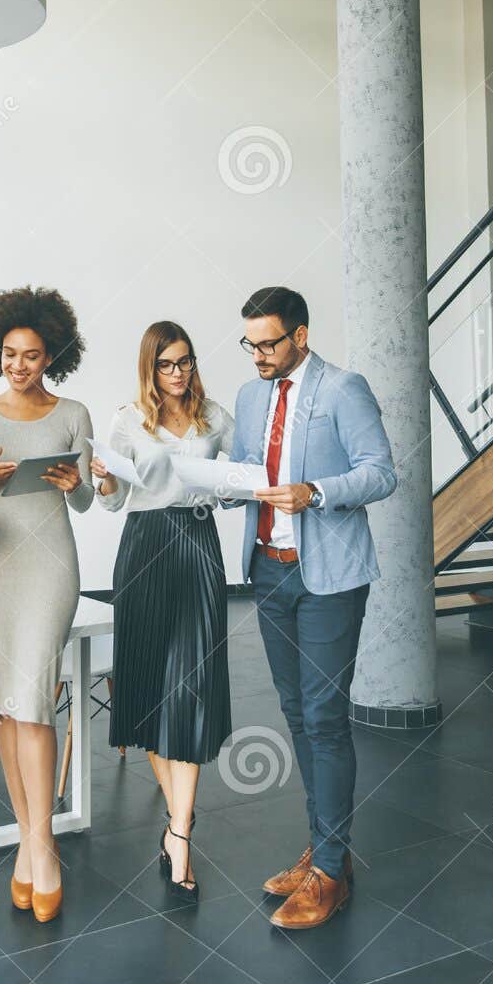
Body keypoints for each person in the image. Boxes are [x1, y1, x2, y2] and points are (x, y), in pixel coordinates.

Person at [230, 285, 396, 932]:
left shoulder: (342, 389)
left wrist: (317, 491)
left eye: (268, 342)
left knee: (325, 717)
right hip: (267, 573)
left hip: (326, 578)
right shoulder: (249, 397)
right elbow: (248, 473)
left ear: (300, 335)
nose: (258, 354)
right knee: (298, 714)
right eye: (250, 343)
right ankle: (322, 848)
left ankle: (330, 872)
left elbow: (380, 473)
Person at [0, 286, 93, 924]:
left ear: (51, 356)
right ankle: (29, 843)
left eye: (32, 355)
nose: (19, 365)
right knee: (9, 713)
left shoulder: (74, 413)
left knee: (34, 705)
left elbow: (91, 498)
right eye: (10, 354)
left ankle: (44, 849)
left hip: (49, 569)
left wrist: (75, 483)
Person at [92, 321, 233, 902]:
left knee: (192, 689)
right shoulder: (128, 420)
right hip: (144, 547)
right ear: (149, 368)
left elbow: (235, 480)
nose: (179, 375)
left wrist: (225, 485)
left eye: (186, 363)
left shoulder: (214, 417)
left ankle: (179, 832)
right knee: (150, 688)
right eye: (168, 366)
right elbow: (114, 500)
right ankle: (181, 828)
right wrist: (102, 482)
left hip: (198, 545)